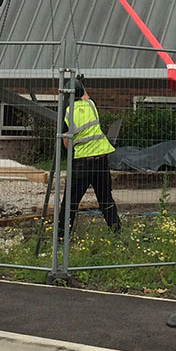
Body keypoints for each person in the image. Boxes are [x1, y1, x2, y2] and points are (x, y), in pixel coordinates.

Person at [58, 76, 121, 239]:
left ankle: (61, 237)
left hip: (82, 163)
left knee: (70, 203)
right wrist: (80, 84)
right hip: (101, 160)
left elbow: (66, 144)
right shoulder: (91, 105)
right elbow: (85, 96)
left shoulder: (68, 112)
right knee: (106, 199)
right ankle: (117, 234)